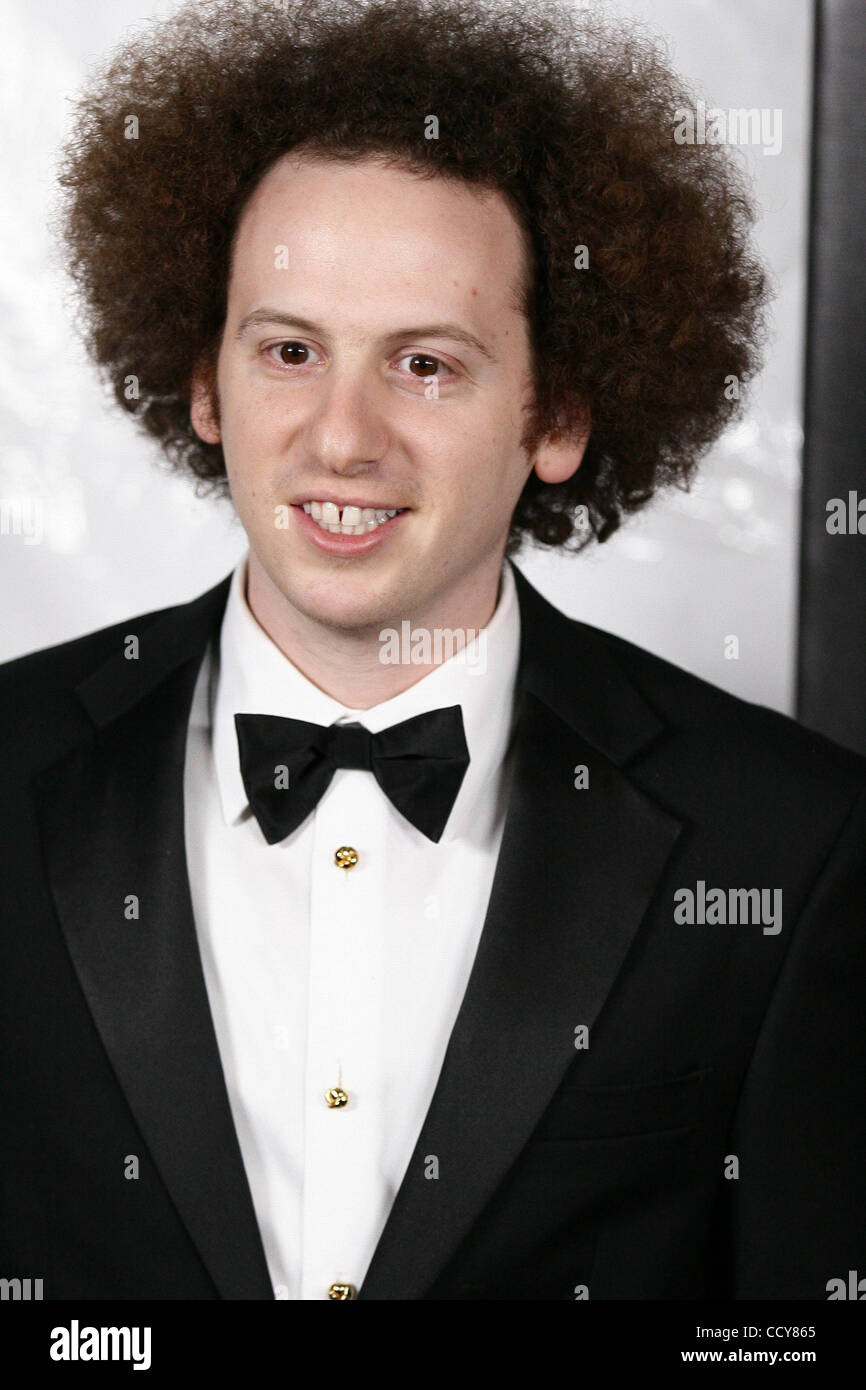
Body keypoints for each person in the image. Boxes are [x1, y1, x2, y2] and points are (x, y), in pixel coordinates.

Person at [1, 0, 863, 1302]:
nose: (342, 438)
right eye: (289, 350)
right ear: (201, 382)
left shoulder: (790, 842)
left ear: (557, 411)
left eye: (423, 364)